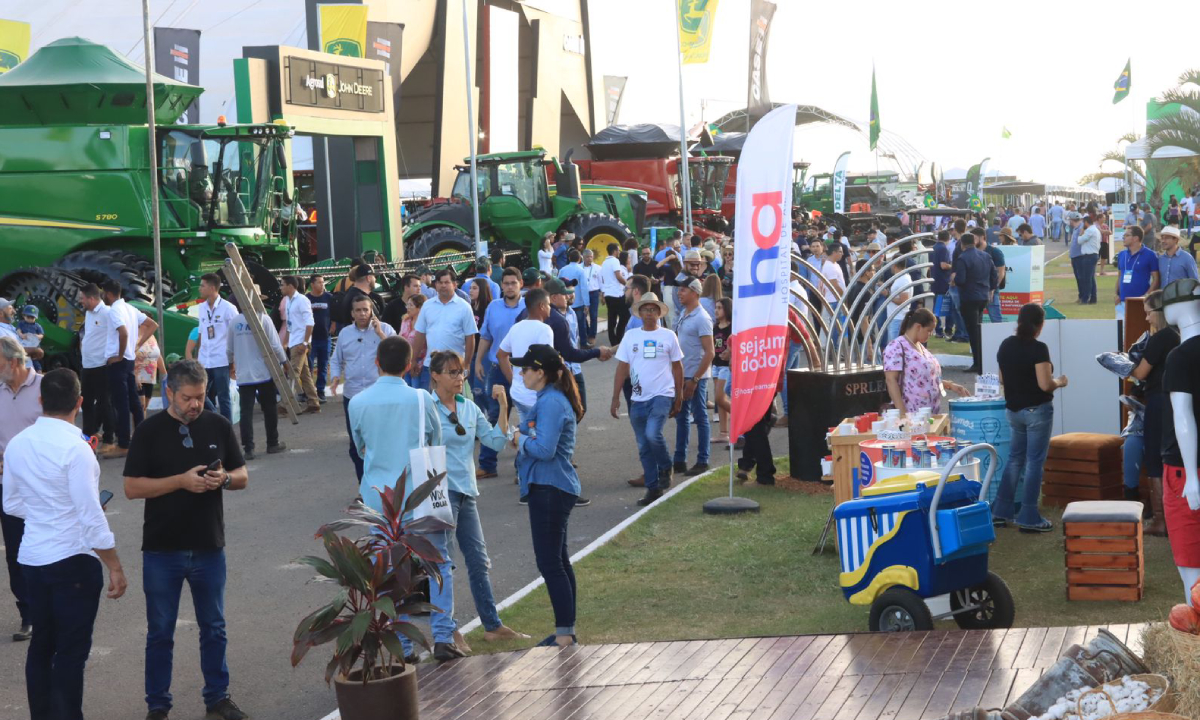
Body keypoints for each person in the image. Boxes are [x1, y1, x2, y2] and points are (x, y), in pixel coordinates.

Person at [123, 359, 251, 720]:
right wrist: (179, 481)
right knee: (160, 632)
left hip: (209, 546)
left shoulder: (218, 425)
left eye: (201, 396)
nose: (196, 404)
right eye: (188, 397)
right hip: (162, 550)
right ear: (169, 392)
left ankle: (217, 698)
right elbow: (132, 487)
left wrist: (224, 479)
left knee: (214, 627)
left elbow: (242, 474)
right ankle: (158, 706)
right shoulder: (149, 431)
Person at [3, 368, 126, 719]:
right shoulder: (77, 447)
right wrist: (115, 566)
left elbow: (11, 504)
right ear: (80, 403)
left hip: (33, 559)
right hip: (73, 559)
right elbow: (90, 516)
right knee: (71, 653)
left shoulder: (18, 444)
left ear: (41, 401)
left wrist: (47, 506)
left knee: (42, 645)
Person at [348, 337, 462, 661]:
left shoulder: (358, 403)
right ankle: (443, 637)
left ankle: (404, 647)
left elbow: (359, 448)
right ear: (411, 364)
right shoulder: (421, 399)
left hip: (379, 501)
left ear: (377, 362)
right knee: (439, 564)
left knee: (389, 574)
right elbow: (436, 439)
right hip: (421, 493)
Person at [426, 350, 528, 645]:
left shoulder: (468, 407)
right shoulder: (426, 408)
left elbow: (496, 442)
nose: (460, 378)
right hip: (440, 494)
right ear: (435, 375)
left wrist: (504, 405)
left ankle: (492, 625)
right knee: (443, 563)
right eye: (453, 372)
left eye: (462, 372)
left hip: (466, 491)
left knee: (478, 560)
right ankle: (448, 630)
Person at [508, 344, 585, 647]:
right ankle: (566, 630)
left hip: (551, 488)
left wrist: (519, 439)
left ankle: (565, 634)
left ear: (540, 372)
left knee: (550, 563)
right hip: (549, 487)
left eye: (525, 368)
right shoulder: (548, 398)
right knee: (558, 560)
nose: (521, 373)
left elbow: (545, 449)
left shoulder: (552, 402)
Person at [992, 304, 1067, 533]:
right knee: (1034, 462)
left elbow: (1002, 379)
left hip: (1013, 411)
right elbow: (1045, 384)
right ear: (1040, 325)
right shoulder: (1039, 348)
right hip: (1036, 411)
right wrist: (1060, 382)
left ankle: (1000, 510)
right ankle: (1029, 514)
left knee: (1015, 459)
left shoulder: (1006, 345)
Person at [611, 292, 684, 506]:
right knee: (643, 445)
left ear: (660, 313)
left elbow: (677, 367)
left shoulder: (669, 336)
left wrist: (678, 396)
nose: (649, 313)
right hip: (638, 398)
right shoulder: (631, 336)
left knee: (653, 434)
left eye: (653, 310)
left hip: (662, 394)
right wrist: (615, 397)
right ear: (640, 313)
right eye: (646, 309)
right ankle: (653, 488)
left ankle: (665, 465)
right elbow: (622, 367)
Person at [330, 294, 396, 482]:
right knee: (356, 444)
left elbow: (397, 352)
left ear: (372, 311)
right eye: (358, 310)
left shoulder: (385, 330)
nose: (362, 314)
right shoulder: (345, 334)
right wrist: (335, 377)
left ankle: (386, 484)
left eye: (365, 309)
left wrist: (380, 334)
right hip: (353, 396)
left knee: (380, 442)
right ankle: (365, 485)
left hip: (379, 395)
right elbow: (336, 360)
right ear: (352, 313)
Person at [0, 337, 39, 642]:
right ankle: (28, 613)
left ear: (14, 361)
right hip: (6, 487)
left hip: (40, 487)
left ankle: (47, 609)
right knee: (15, 553)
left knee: (40, 548)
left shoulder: (44, 389)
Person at [1130, 290, 1178, 536]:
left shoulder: (1160, 339)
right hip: (1174, 400)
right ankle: (1171, 516)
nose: (1146, 318)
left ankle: (1161, 520)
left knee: (1154, 457)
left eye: (1148, 313)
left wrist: (1125, 364)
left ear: (1157, 312)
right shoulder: (1178, 335)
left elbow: (1140, 373)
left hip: (1158, 401)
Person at [474, 268, 526, 479]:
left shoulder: (528, 306)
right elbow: (485, 336)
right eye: (506, 283)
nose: (510, 287)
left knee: (527, 416)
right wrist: (478, 360)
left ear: (521, 284)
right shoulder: (494, 307)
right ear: (501, 285)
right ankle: (487, 465)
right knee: (495, 415)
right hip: (497, 370)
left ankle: (523, 467)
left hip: (524, 370)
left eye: (514, 283)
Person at [227, 301, 289, 460]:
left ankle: (248, 448)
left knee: (246, 412)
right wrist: (284, 362)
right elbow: (275, 345)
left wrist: (230, 365)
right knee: (269, 408)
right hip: (264, 372)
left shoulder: (235, 322)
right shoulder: (263, 319)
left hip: (244, 374)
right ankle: (272, 443)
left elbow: (229, 349)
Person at [104, 280, 159, 455]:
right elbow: (153, 325)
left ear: (108, 294)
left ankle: (123, 444)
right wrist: (136, 346)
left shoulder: (115, 310)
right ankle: (143, 439)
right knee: (134, 402)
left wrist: (120, 354)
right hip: (129, 360)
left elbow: (123, 333)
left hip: (119, 361)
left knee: (121, 403)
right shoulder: (130, 308)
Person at [883, 308, 968, 416]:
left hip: (930, 414)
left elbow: (925, 378)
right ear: (918, 327)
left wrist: (950, 385)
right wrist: (903, 414)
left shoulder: (919, 346)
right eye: (929, 330)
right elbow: (891, 381)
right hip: (912, 415)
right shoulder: (895, 347)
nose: (931, 334)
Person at [672, 276, 715, 477]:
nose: (679, 293)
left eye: (683, 290)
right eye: (679, 290)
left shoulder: (702, 318)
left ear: (694, 293)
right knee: (681, 416)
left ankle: (702, 460)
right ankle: (679, 459)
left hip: (696, 376)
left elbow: (710, 352)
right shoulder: (684, 312)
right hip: (682, 373)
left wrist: (695, 380)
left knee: (700, 417)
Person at [78, 283, 126, 457]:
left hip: (101, 366)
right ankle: (89, 437)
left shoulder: (108, 313)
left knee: (105, 403)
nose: (80, 301)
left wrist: (118, 355)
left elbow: (121, 333)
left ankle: (108, 439)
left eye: (82, 298)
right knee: (87, 403)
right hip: (87, 365)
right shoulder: (88, 313)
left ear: (91, 298)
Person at [412, 268, 478, 392]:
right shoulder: (427, 306)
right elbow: (420, 334)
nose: (443, 285)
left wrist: (467, 364)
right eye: (440, 282)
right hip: (431, 365)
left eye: (446, 282)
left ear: (454, 284)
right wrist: (413, 360)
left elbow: (470, 337)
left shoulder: (464, 307)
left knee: (454, 405)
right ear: (435, 284)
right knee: (429, 405)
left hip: (454, 367)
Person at [952, 231, 997, 374]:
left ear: (962, 244)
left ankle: (978, 362)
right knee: (978, 328)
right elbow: (994, 276)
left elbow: (961, 280)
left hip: (969, 297)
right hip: (983, 295)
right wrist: (990, 288)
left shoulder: (963, 258)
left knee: (973, 331)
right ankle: (980, 361)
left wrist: (955, 279)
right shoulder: (985, 255)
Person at [196, 274, 238, 421]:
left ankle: (226, 427)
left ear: (212, 288)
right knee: (199, 393)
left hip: (221, 359)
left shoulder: (228, 308)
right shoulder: (201, 307)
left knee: (223, 396)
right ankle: (214, 418)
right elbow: (201, 332)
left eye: (202, 285)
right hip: (204, 359)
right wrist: (197, 357)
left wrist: (234, 360)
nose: (200, 288)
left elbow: (235, 335)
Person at [280, 275, 321, 414]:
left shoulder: (302, 300)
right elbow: (290, 325)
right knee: (304, 374)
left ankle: (286, 405)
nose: (280, 288)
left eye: (282, 285)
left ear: (291, 286)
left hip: (300, 343)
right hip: (294, 341)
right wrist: (285, 342)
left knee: (293, 373)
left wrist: (305, 343)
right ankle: (313, 402)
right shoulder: (288, 301)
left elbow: (310, 322)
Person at [1115, 225, 1160, 320]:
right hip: (1122, 302)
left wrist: (1146, 296)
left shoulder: (1150, 255)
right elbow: (1120, 276)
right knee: (1121, 332)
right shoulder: (1122, 254)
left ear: (1135, 238)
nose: (1123, 238)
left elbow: (1156, 279)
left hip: (1140, 302)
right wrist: (1116, 294)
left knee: (1138, 331)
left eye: (1127, 235)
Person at [305, 274, 333, 403]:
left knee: (323, 365)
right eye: (319, 283)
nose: (322, 285)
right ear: (312, 284)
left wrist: (333, 325)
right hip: (310, 339)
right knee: (309, 366)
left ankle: (320, 391)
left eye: (323, 282)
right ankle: (309, 392)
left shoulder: (329, 298)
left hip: (325, 337)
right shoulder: (306, 299)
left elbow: (335, 313)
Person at [711, 297, 733, 444]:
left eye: (720, 308)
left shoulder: (733, 328)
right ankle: (723, 432)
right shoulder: (715, 327)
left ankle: (743, 419)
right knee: (720, 401)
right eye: (716, 307)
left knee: (720, 398)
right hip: (716, 365)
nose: (716, 310)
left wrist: (730, 352)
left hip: (726, 366)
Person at [974, 227, 1006, 323]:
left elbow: (1001, 272)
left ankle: (1000, 337)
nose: (973, 241)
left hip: (990, 290)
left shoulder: (994, 251)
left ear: (982, 237)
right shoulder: (972, 252)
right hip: (976, 290)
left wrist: (993, 288)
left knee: (995, 318)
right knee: (976, 320)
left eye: (975, 238)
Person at [557, 249, 591, 340]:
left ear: (569, 258)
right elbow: (584, 288)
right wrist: (587, 303)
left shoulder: (562, 270)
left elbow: (558, 284)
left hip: (565, 301)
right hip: (578, 301)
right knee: (581, 324)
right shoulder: (581, 270)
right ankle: (583, 343)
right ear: (580, 259)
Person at [600, 243, 630, 344]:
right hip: (616, 293)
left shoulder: (604, 263)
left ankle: (614, 342)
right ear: (614, 251)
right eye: (618, 250)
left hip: (608, 293)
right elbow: (618, 276)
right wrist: (628, 284)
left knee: (611, 318)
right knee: (625, 315)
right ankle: (619, 337)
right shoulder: (615, 261)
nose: (619, 252)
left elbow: (604, 279)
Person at [398, 293, 425, 385]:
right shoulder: (405, 320)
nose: (407, 307)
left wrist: (419, 364)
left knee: (417, 389)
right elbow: (400, 338)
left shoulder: (425, 323)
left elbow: (430, 346)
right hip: (406, 361)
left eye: (411, 305)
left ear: (419, 307)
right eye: (407, 304)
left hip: (420, 362)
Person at [135, 332, 165, 414]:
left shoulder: (151, 336)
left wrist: (165, 374)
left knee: (144, 407)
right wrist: (134, 376)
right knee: (140, 405)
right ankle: (138, 426)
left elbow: (158, 355)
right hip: (137, 375)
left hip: (150, 376)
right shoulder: (133, 334)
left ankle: (141, 426)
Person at [582, 249, 602, 346]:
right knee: (583, 315)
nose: (589, 259)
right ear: (583, 257)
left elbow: (601, 281)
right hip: (583, 293)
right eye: (587, 257)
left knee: (593, 315)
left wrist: (602, 294)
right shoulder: (579, 268)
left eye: (591, 256)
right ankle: (587, 333)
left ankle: (592, 336)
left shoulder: (597, 268)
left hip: (594, 293)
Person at [16, 305, 43, 371]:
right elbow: (18, 330)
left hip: (34, 344)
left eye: (32, 318)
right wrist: (21, 335)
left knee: (35, 359)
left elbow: (41, 335)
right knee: (24, 358)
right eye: (28, 317)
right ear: (24, 316)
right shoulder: (21, 323)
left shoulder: (37, 326)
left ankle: (39, 370)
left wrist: (37, 336)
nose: (30, 319)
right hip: (24, 343)